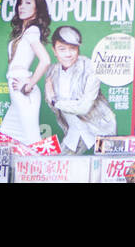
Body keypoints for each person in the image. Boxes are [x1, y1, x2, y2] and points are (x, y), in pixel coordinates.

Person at [44, 25, 117, 153]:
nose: (68, 54)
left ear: (78, 49)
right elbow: (53, 105)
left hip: (100, 129)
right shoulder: (52, 72)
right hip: (74, 131)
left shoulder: (91, 69)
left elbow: (83, 107)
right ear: (54, 50)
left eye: (72, 49)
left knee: (105, 168)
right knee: (61, 167)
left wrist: (55, 102)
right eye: (62, 49)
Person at [0, 0, 51, 144]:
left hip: (22, 90)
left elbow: (45, 60)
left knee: (32, 139)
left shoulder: (32, 31)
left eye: (28, 3)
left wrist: (29, 85)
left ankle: (46, 168)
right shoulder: (24, 32)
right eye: (20, 3)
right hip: (17, 89)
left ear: (37, 8)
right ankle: (17, 168)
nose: (21, 7)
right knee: (6, 135)